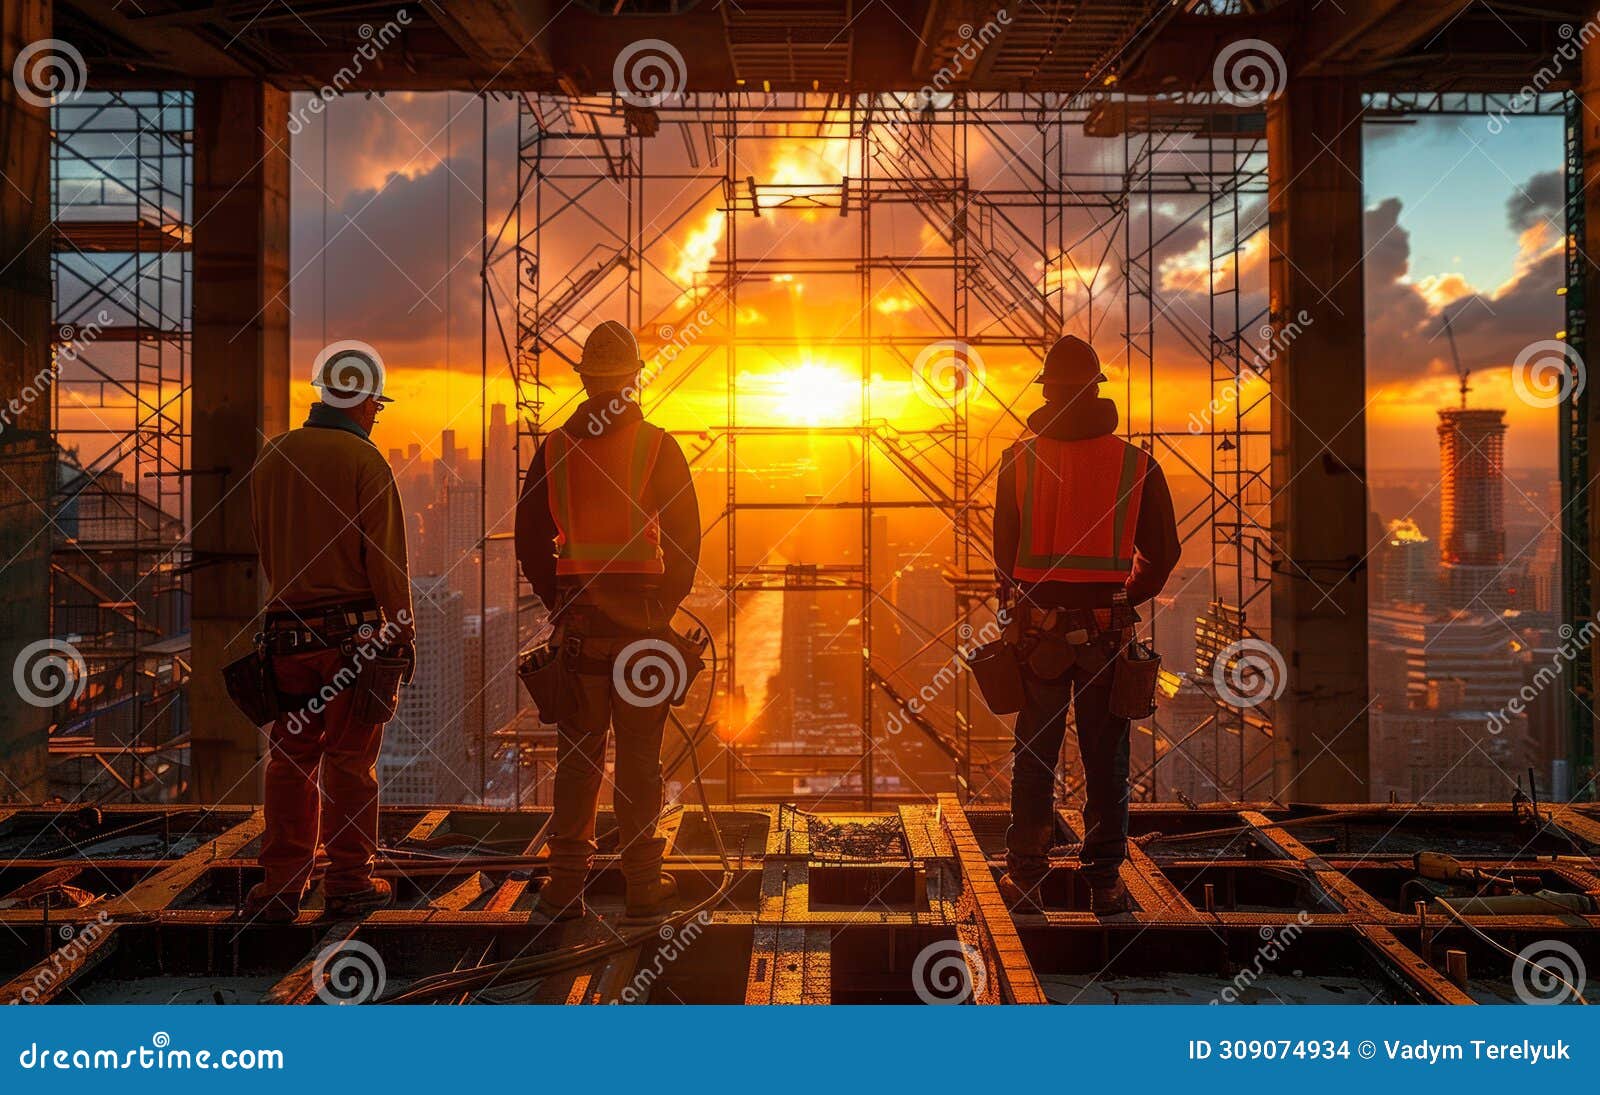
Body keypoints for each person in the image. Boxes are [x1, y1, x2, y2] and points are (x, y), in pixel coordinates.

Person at [515, 320, 701, 922]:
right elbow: (685, 540)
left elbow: (529, 539)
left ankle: (565, 887)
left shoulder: (555, 450)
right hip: (639, 634)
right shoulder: (656, 446)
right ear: (633, 379)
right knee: (640, 760)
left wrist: (560, 604)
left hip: (579, 634)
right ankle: (643, 885)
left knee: (579, 758)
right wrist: (658, 612)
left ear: (587, 382)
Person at [991, 335, 1180, 915]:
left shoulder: (1019, 460)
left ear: (1047, 392)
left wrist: (1027, 599)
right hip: (1105, 633)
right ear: (1097, 392)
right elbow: (1163, 552)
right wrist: (1128, 594)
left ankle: (1025, 879)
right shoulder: (1135, 464)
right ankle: (1104, 883)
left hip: (1040, 634)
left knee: (1035, 752)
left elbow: (1004, 555)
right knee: (1107, 757)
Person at [243, 346, 413, 923]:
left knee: (290, 759)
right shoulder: (364, 461)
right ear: (365, 400)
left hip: (285, 638)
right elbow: (385, 560)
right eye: (376, 407)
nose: (375, 415)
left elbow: (267, 548)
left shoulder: (272, 458)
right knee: (348, 762)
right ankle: (347, 880)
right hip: (351, 643)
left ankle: (280, 884)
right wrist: (401, 631)